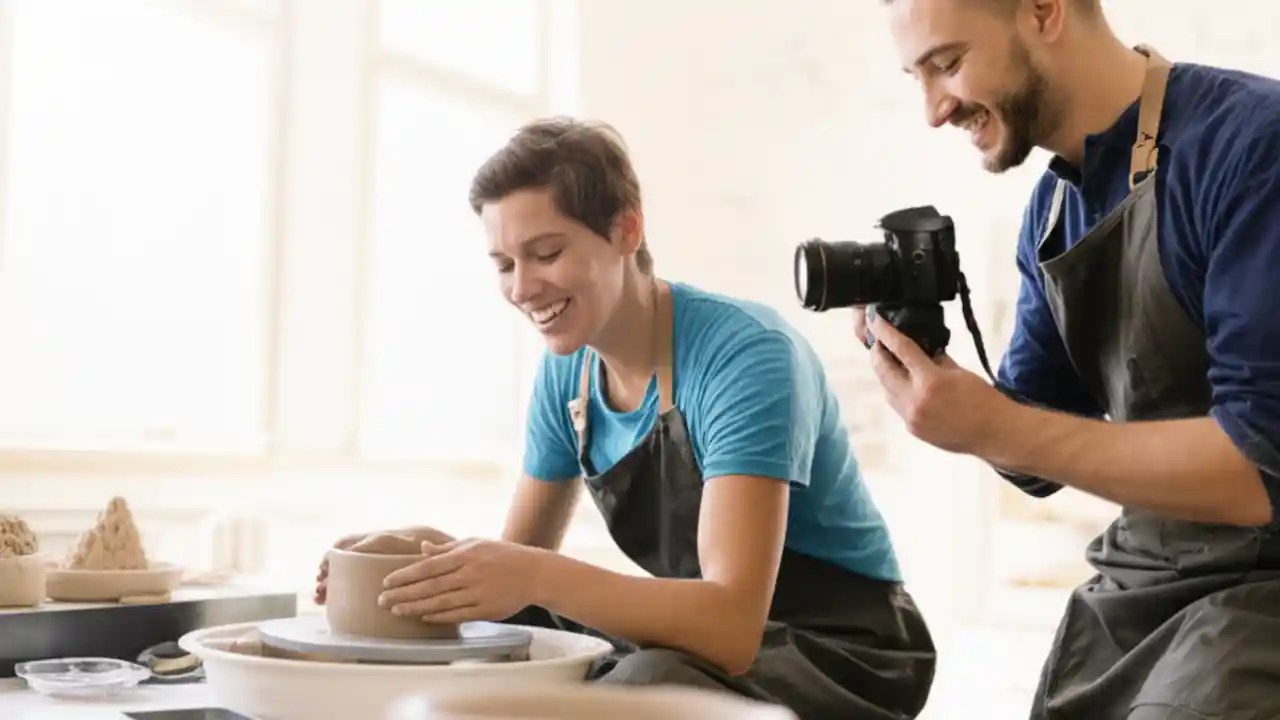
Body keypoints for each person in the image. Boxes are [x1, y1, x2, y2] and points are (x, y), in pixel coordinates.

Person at [315, 117, 937, 718]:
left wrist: (531, 572)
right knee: (517, 649)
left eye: (546, 253)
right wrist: (435, 555)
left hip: (844, 649)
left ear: (626, 230)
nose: (522, 288)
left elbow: (729, 628)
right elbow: (518, 583)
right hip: (699, 639)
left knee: (638, 686)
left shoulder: (747, 355)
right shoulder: (568, 370)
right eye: (505, 265)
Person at [869, 0, 1280, 718]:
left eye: (949, 63)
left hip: (1262, 595)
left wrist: (995, 426)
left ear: (1044, 11)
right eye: (917, 77)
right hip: (1143, 584)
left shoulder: (1251, 145)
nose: (934, 110)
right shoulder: (1052, 211)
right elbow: (1034, 461)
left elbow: (1258, 472)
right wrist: (933, 373)